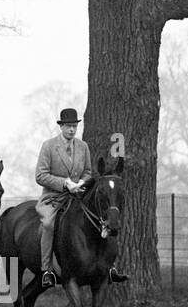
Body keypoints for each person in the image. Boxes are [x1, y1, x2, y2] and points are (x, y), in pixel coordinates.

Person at [34, 107, 128, 287]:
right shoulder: (48, 146)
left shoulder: (83, 146)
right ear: (61, 127)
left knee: (103, 218)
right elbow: (40, 175)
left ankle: (109, 266)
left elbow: (87, 172)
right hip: (54, 197)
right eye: (68, 126)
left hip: (78, 195)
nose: (71, 130)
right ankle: (46, 270)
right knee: (48, 224)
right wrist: (65, 183)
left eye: (74, 126)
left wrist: (80, 184)